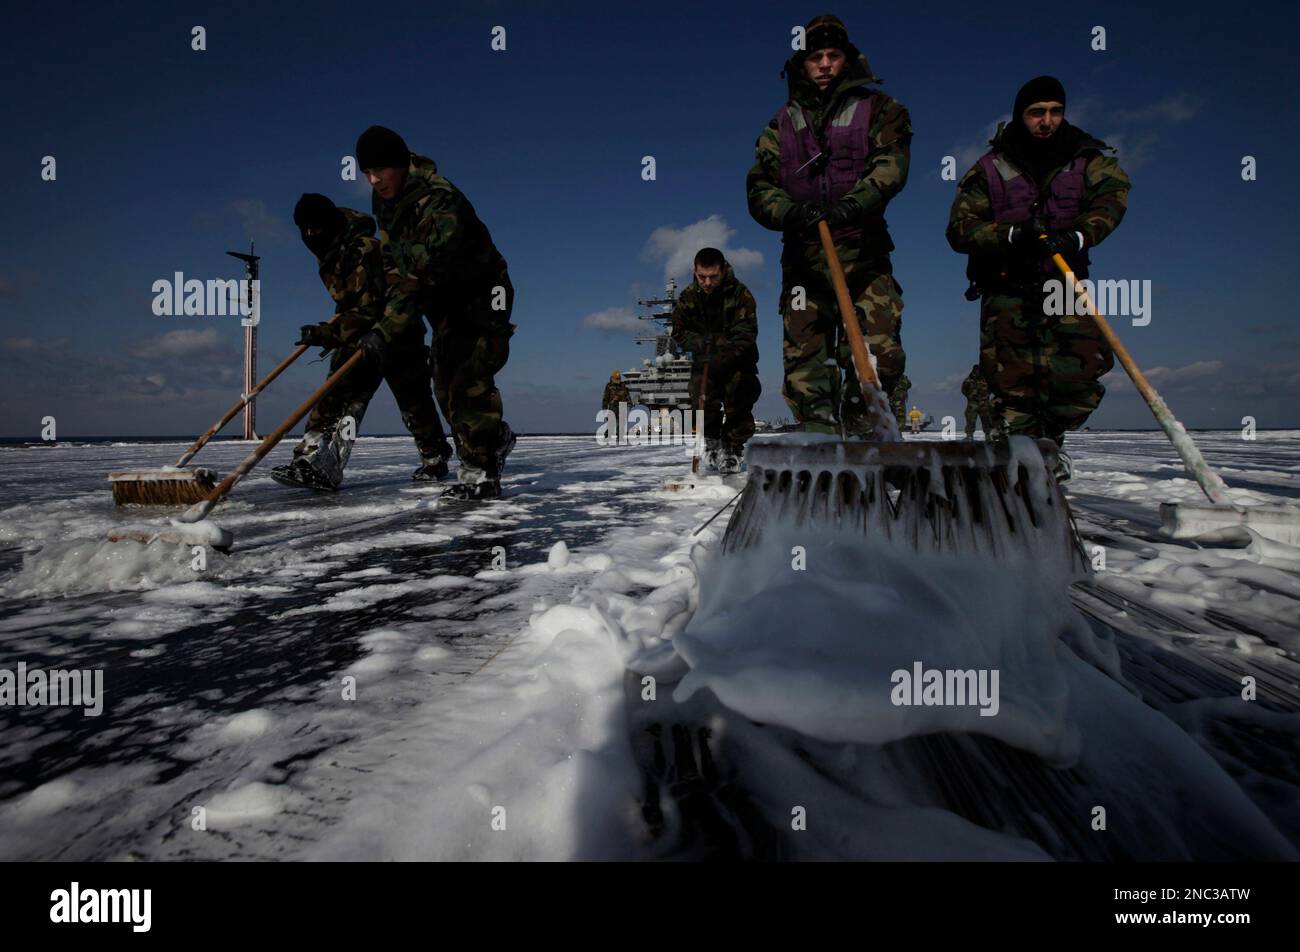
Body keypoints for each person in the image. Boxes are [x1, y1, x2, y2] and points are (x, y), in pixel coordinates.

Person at [946, 75, 1130, 478]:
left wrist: (1080, 234)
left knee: (1080, 374)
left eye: (1054, 112)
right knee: (1013, 383)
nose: (1046, 121)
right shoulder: (990, 167)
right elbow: (960, 230)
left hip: (1064, 284)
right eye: (1036, 113)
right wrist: (1011, 234)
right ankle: (1029, 460)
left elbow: (1112, 200)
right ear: (1020, 115)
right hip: (1007, 286)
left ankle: (1051, 441)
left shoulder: (1086, 158)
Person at [746, 14, 912, 436]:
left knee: (879, 353)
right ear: (802, 64)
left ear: (847, 60)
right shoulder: (779, 126)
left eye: (832, 56)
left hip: (864, 254)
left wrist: (851, 206)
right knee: (805, 357)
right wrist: (791, 211)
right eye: (815, 57)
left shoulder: (881, 110)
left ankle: (866, 430)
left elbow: (891, 167)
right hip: (804, 259)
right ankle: (818, 436)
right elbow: (760, 188)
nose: (823, 64)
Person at [355, 125, 517, 500]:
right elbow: (396, 262)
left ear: (400, 163)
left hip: (484, 293)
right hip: (442, 298)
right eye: (366, 172)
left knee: (467, 376)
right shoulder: (385, 202)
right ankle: (496, 438)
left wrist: (386, 328)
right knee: (443, 384)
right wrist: (383, 315)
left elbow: (426, 270)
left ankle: (481, 475)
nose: (374, 179)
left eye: (381, 169)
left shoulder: (441, 201)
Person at [272, 193, 451, 491]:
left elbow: (370, 309)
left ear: (329, 224)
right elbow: (354, 302)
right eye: (305, 230)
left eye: (315, 228)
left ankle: (434, 458)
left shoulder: (361, 250)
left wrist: (326, 334)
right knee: (338, 396)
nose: (310, 235)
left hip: (396, 333)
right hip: (358, 331)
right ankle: (313, 459)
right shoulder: (330, 252)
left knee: (412, 400)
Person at [668, 248, 761, 474]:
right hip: (705, 362)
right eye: (702, 277)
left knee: (739, 399)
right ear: (695, 271)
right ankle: (711, 444)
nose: (707, 282)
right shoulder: (688, 297)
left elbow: (746, 333)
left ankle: (732, 449)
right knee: (700, 400)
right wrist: (699, 343)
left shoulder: (740, 295)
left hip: (737, 361)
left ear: (723, 270)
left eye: (713, 277)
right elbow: (678, 331)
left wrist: (722, 353)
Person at [960, 363, 1001, 440]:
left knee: (986, 420)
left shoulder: (986, 379)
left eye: (978, 370)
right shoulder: (968, 380)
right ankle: (969, 435)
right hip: (973, 403)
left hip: (984, 403)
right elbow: (963, 390)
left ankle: (988, 436)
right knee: (970, 420)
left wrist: (986, 396)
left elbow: (991, 388)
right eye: (976, 370)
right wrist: (970, 396)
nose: (977, 371)